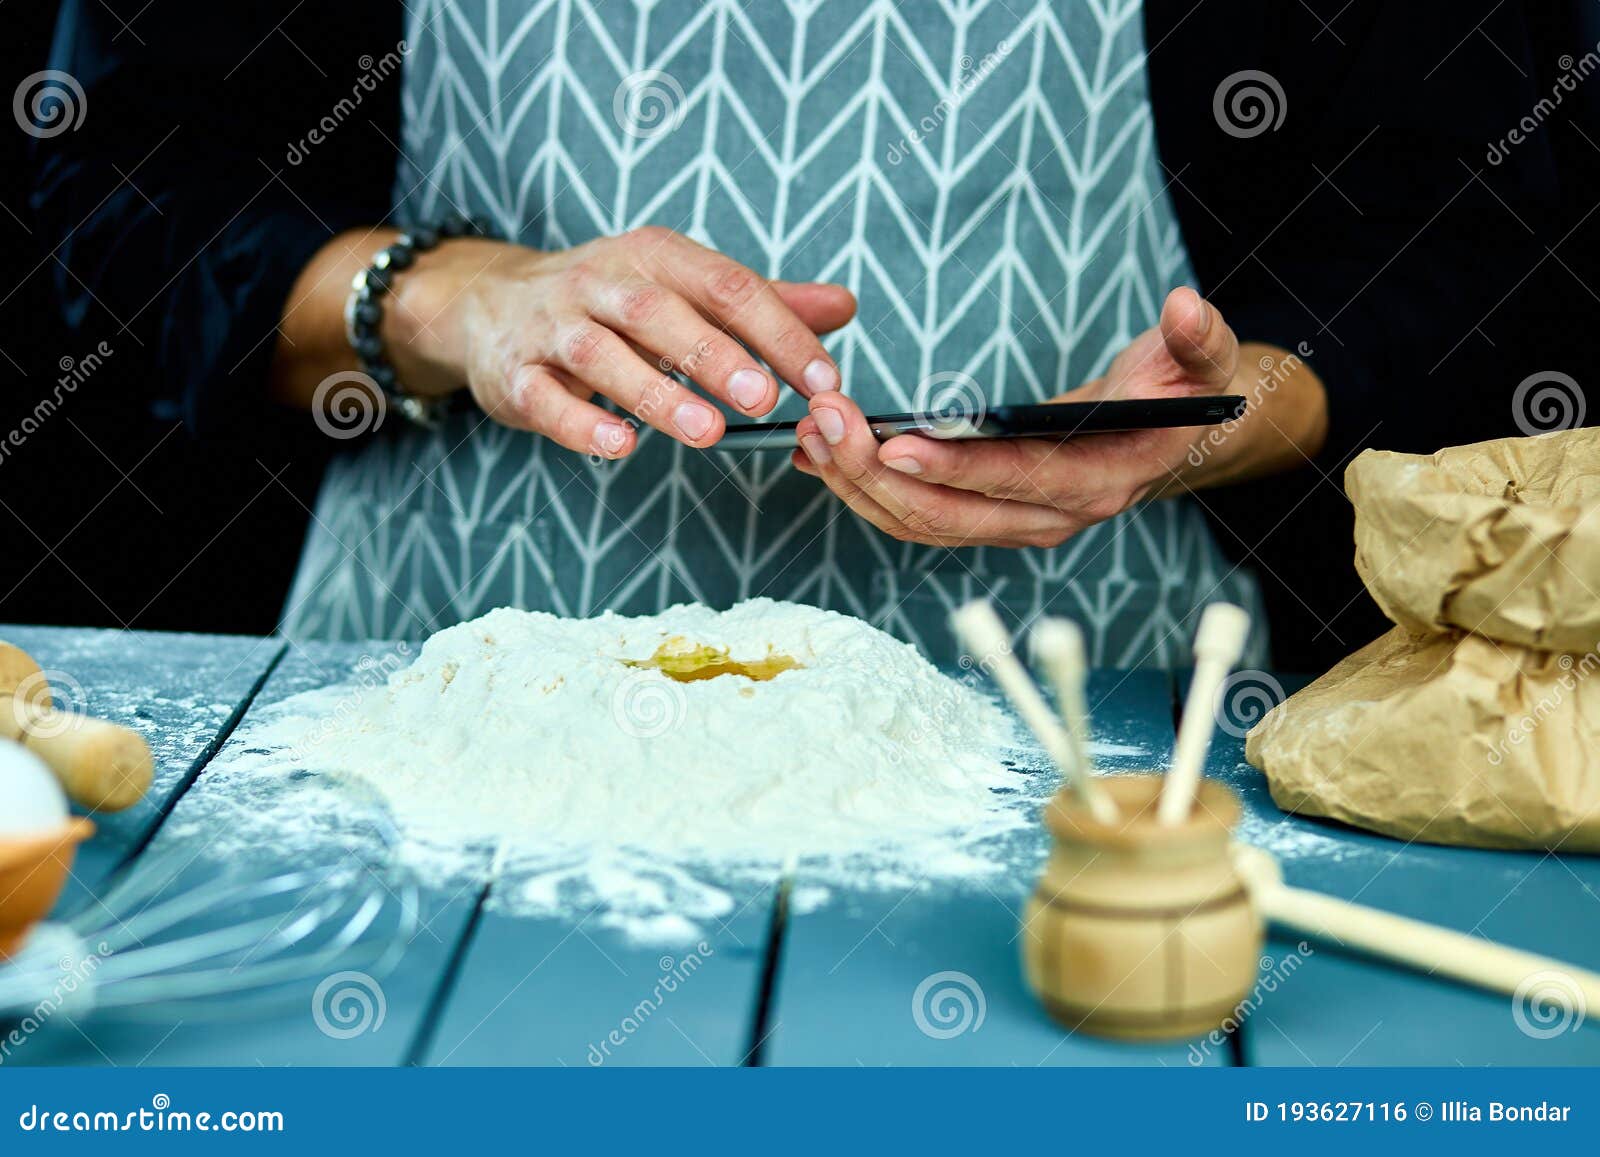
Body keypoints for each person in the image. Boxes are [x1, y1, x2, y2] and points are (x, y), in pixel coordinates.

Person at [32, 1, 1562, 667]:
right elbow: (123, 185)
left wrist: (1233, 407)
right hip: (436, 685)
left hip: (1096, 722)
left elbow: (1473, 240)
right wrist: (448, 298)